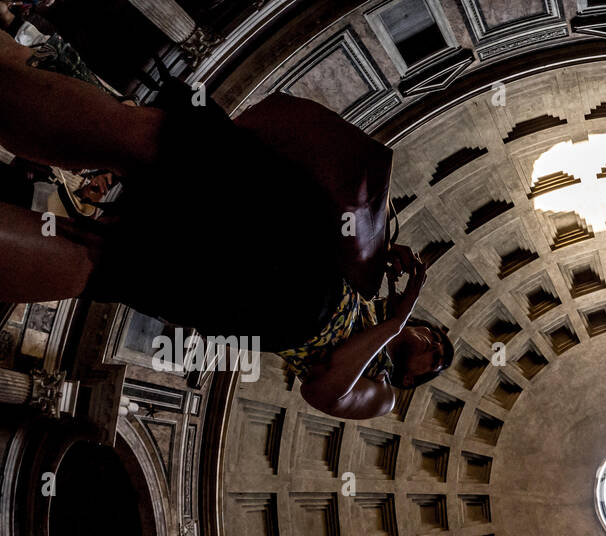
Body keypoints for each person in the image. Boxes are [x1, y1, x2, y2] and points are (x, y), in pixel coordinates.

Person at [0, 33, 453, 420]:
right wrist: (378, 259)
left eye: (435, 355)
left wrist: (394, 323)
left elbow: (325, 389)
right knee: (152, 142)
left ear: (414, 375)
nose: (431, 340)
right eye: (436, 335)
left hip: (274, 310)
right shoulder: (376, 306)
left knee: (107, 259)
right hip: (293, 242)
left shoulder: (386, 394)